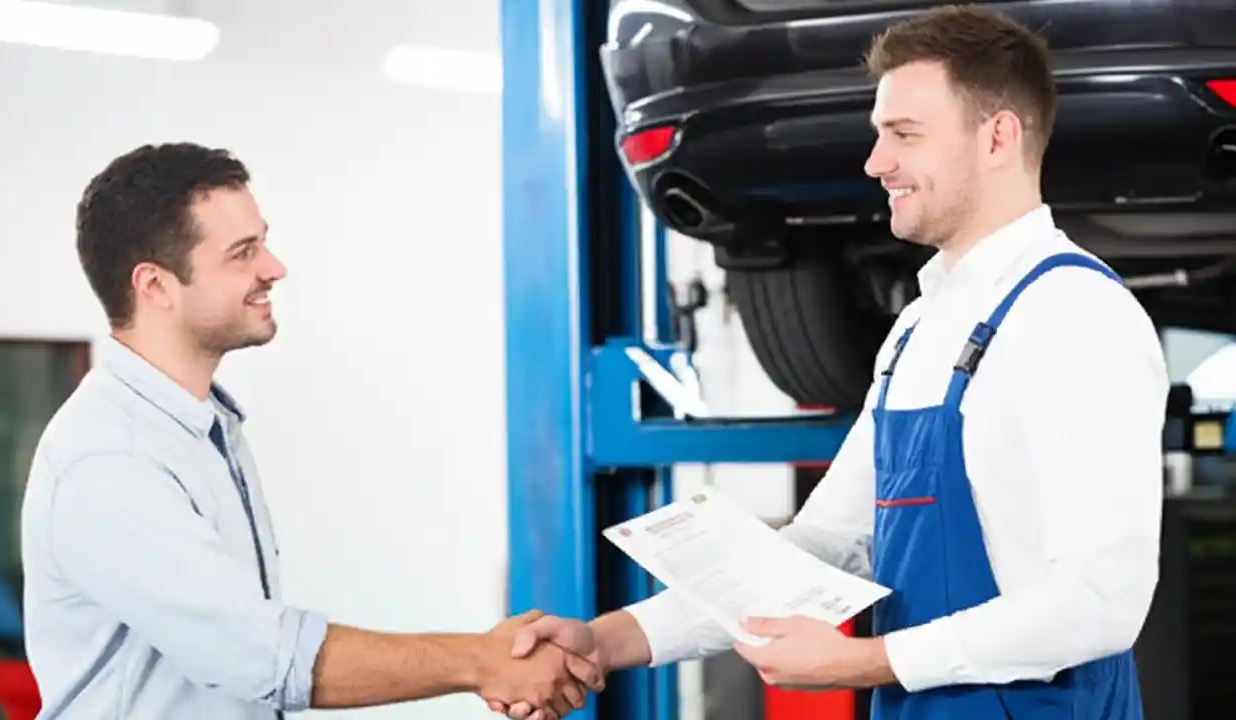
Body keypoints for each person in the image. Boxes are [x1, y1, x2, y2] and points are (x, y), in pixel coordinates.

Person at [492, 5, 1168, 719]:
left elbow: (1102, 603)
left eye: (904, 135)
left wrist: (865, 661)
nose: (876, 164)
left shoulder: (1075, 314)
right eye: (879, 136)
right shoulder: (919, 328)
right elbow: (824, 546)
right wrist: (607, 641)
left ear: (998, 136)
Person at [19, 142, 602, 720]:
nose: (274, 268)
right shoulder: (109, 457)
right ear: (155, 286)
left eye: (263, 242)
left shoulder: (202, 427)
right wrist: (482, 661)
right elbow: (259, 655)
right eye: (242, 253)